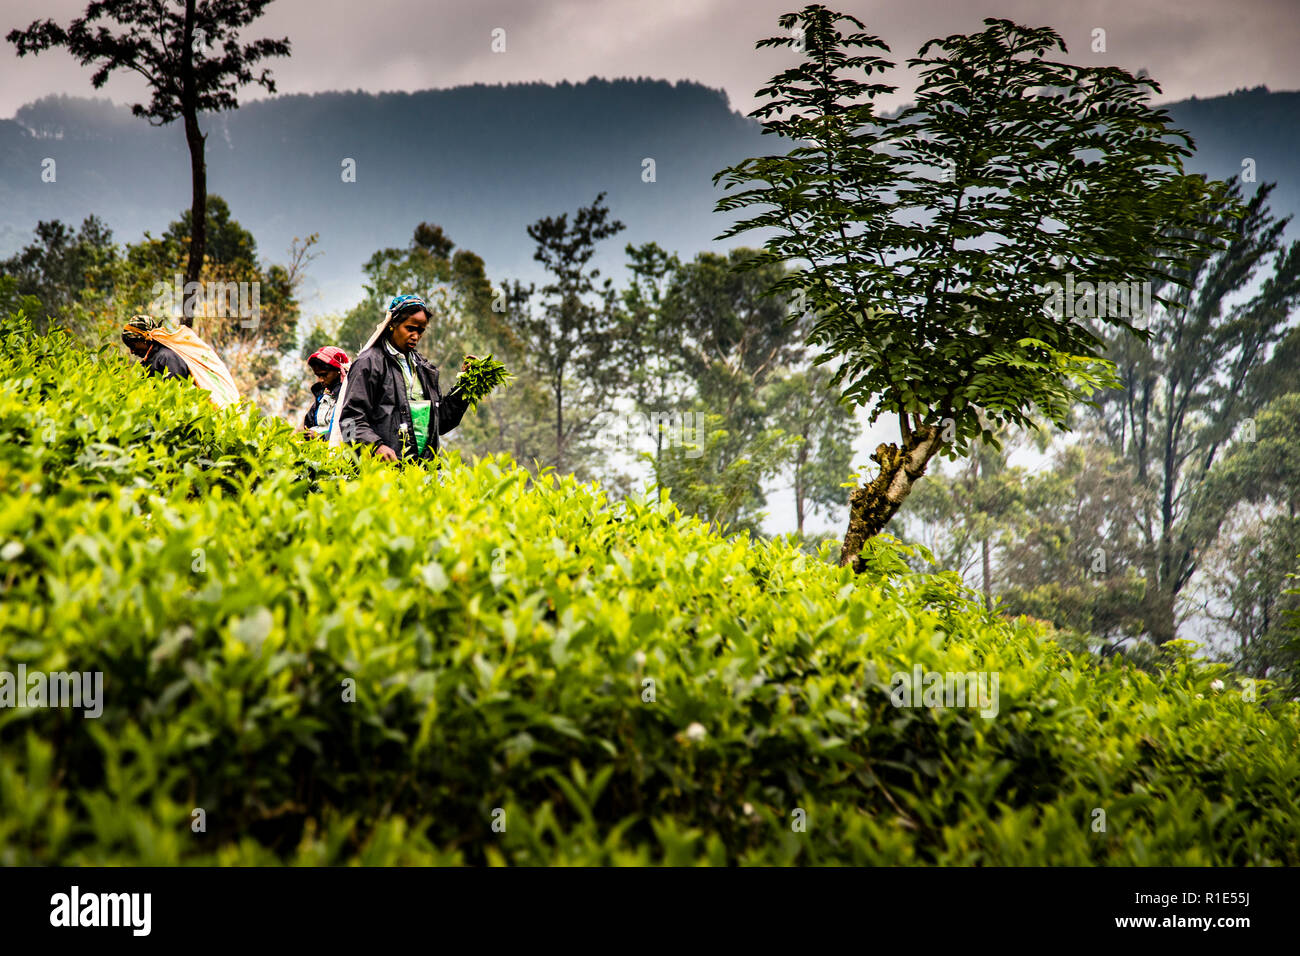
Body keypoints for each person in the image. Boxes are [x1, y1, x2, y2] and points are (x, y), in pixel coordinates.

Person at [336, 294, 477, 462]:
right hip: (381, 473)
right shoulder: (369, 363)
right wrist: (375, 446)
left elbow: (442, 422)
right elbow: (349, 421)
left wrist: (467, 384)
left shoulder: (425, 369)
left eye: (421, 331)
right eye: (410, 328)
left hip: (420, 472)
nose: (415, 336)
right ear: (392, 325)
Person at [121, 315, 190, 381]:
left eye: (132, 346)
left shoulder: (167, 358)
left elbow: (173, 388)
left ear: (145, 339)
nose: (132, 351)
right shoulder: (151, 359)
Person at [302, 346, 350, 438]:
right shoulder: (321, 397)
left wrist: (321, 438)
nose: (320, 380)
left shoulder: (348, 396)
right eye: (318, 375)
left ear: (339, 371)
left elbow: (349, 435)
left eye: (324, 375)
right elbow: (308, 425)